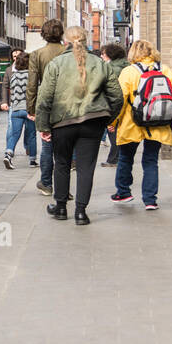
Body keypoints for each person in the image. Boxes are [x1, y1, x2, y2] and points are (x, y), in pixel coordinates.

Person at [34, 26, 123, 225]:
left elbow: (44, 98)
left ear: (65, 41)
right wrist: (108, 119)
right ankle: (81, 212)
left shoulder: (56, 63)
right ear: (85, 40)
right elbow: (117, 96)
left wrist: (43, 126)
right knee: (86, 167)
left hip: (62, 122)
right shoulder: (101, 64)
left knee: (62, 163)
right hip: (93, 121)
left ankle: (61, 207)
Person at [110, 40, 172, 210]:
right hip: (158, 123)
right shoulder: (163, 70)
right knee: (151, 160)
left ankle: (123, 192)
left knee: (125, 158)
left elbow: (120, 100)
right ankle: (150, 200)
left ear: (133, 53)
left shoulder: (128, 72)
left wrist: (112, 122)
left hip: (132, 124)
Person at [27, 19, 67, 195]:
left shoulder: (37, 55)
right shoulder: (69, 52)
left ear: (43, 34)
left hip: (47, 104)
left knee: (47, 144)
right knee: (66, 148)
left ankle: (46, 183)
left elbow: (32, 84)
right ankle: (64, 187)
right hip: (68, 104)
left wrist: (31, 108)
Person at [1, 50, 36, 169]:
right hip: (28, 109)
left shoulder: (14, 75)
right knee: (31, 134)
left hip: (15, 109)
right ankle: (32, 161)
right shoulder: (31, 76)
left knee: (14, 134)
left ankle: (8, 154)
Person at [98, 42, 129, 167]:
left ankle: (114, 159)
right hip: (127, 106)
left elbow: (110, 90)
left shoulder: (111, 69)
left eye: (104, 54)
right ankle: (116, 158)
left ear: (111, 55)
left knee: (113, 132)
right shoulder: (127, 66)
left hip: (114, 105)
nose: (101, 56)